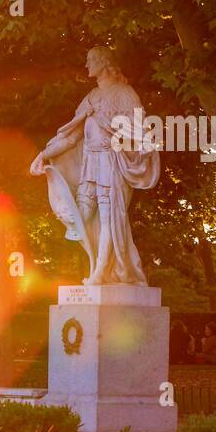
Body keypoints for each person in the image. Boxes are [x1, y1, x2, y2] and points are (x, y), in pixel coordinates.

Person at [30, 47, 160, 285]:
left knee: (109, 218)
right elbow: (71, 137)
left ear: (105, 62)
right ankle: (99, 267)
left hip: (111, 162)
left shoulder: (124, 93)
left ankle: (100, 271)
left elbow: (140, 130)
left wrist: (137, 142)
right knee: (82, 216)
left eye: (91, 60)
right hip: (90, 164)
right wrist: (43, 154)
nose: (86, 65)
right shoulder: (91, 97)